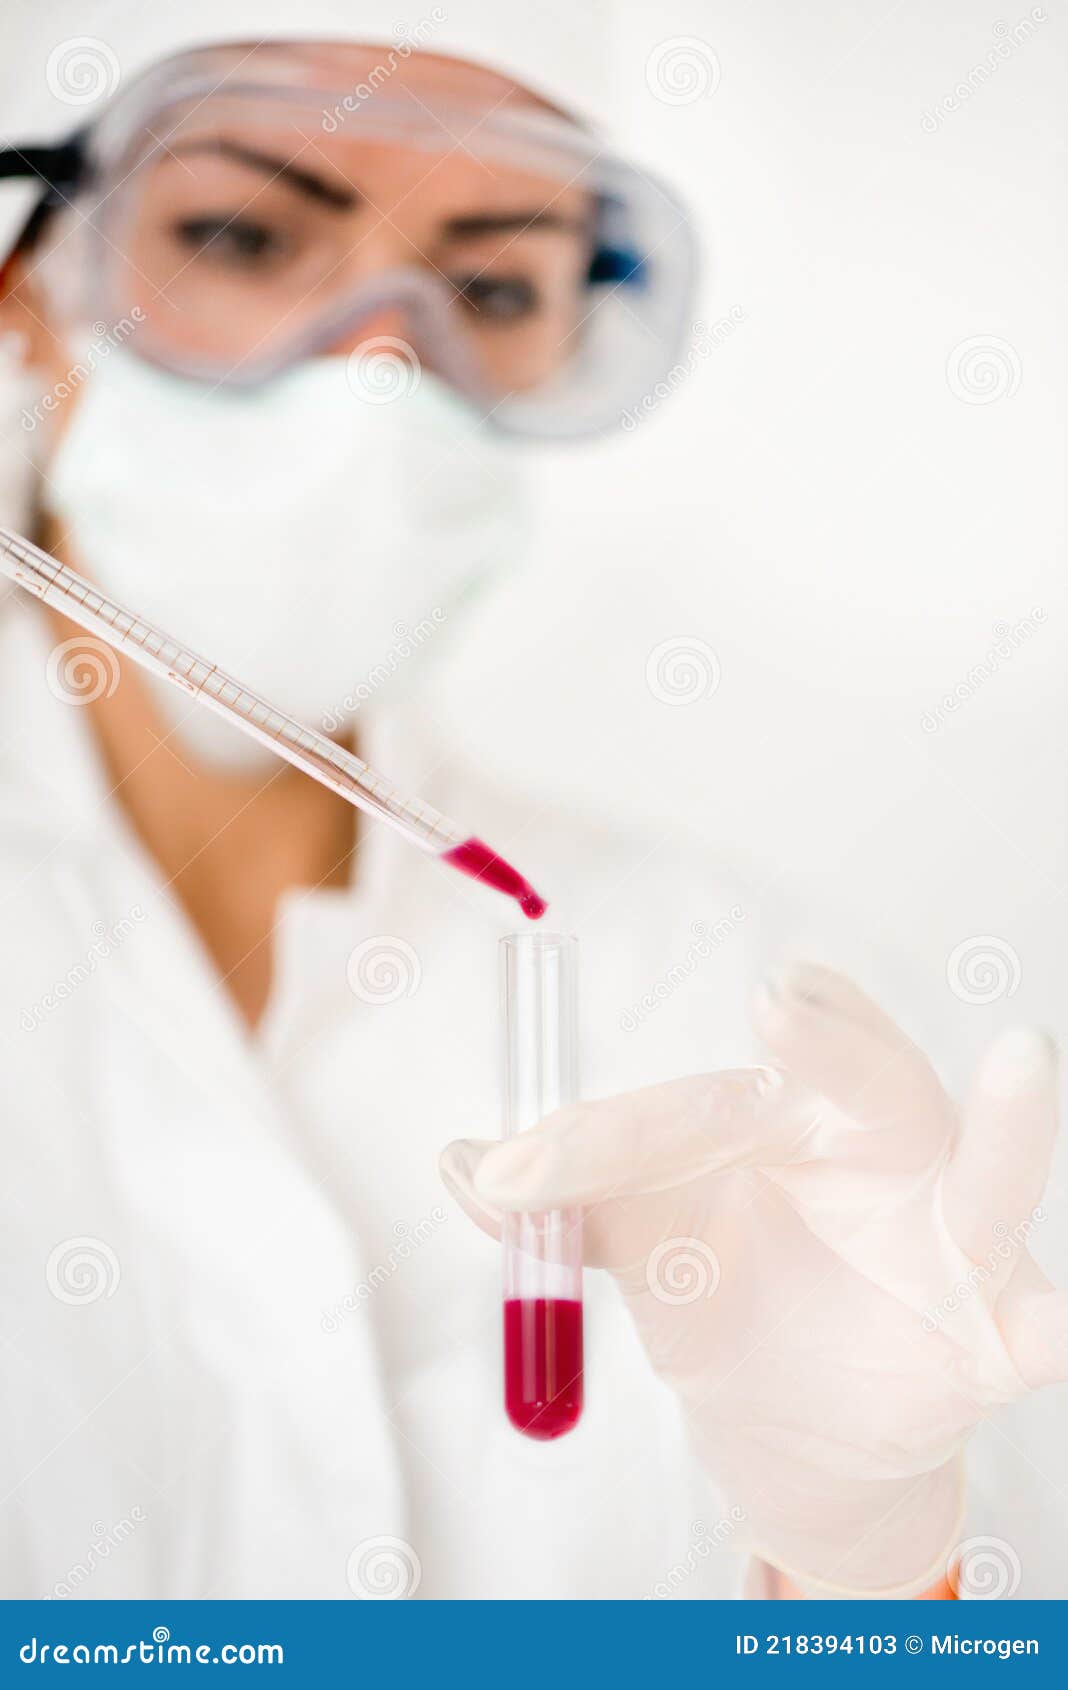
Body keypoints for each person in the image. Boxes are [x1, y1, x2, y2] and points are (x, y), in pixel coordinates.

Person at [0, 1, 1063, 1601]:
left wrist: (873, 1571)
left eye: (489, 286)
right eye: (243, 235)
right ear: (31, 294)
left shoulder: (759, 1016)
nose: (378, 370)